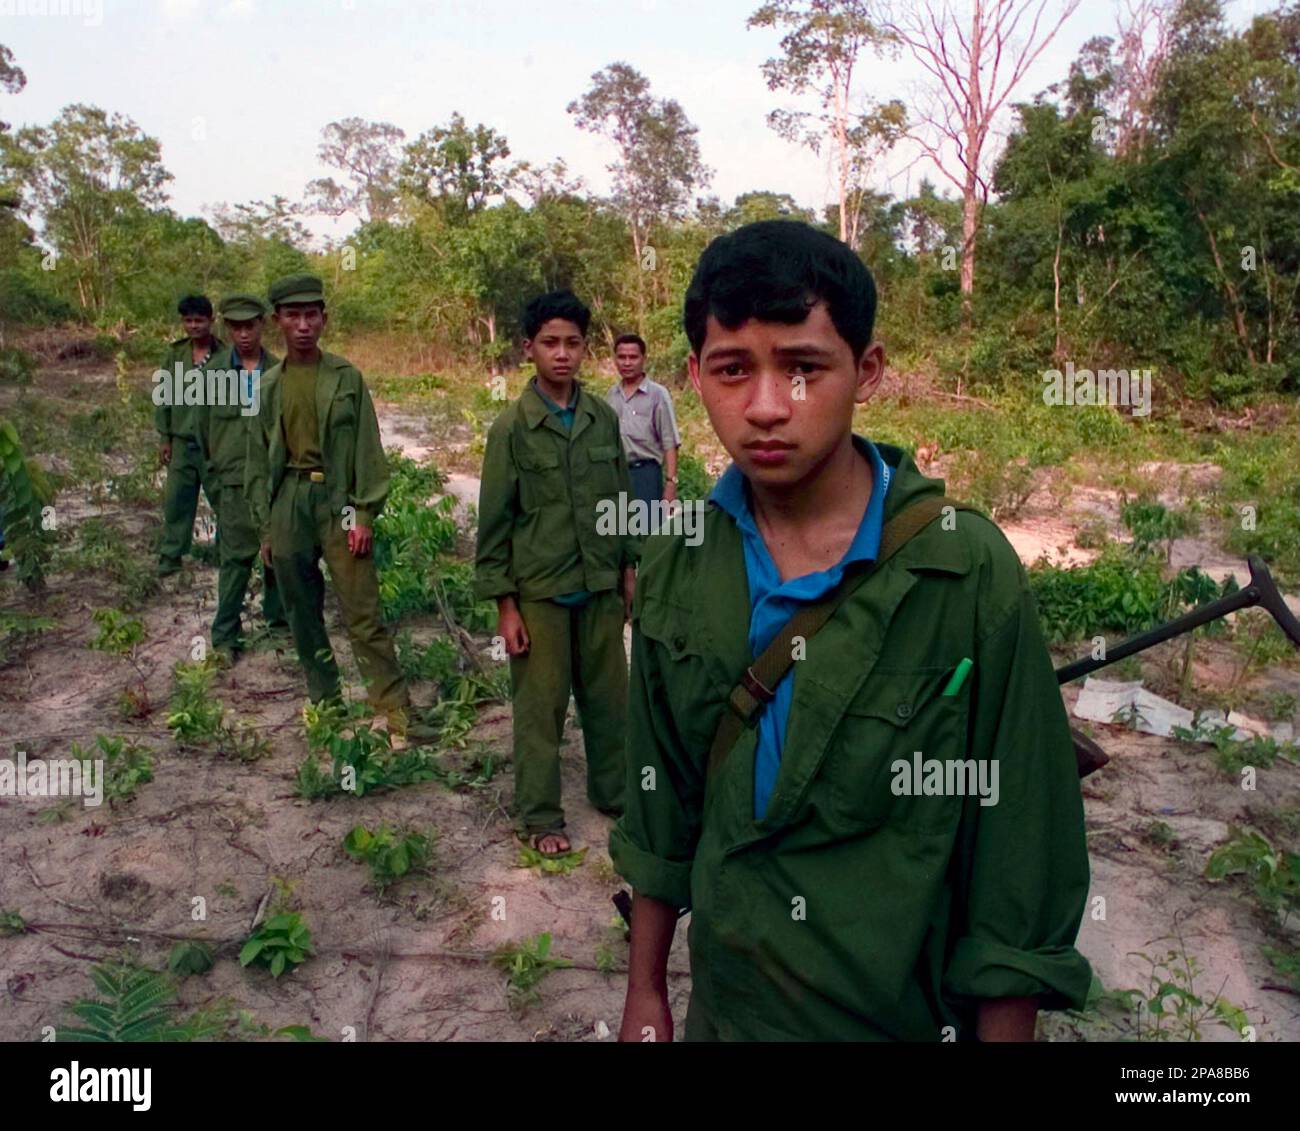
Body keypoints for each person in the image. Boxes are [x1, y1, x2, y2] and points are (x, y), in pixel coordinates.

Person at [610, 220, 1091, 1042]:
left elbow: (1019, 856)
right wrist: (645, 991)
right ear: (694, 375)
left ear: (866, 370)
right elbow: (662, 804)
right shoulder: (680, 560)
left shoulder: (965, 572)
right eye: (733, 370)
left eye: (802, 368)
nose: (765, 407)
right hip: (724, 1015)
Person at [475, 290, 638, 857]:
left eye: (572, 342)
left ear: (585, 349)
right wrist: (505, 606)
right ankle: (541, 816)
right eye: (550, 343)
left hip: (599, 590)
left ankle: (614, 794)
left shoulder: (601, 420)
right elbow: (494, 524)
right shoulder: (511, 429)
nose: (562, 354)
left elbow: (619, 501)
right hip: (541, 595)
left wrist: (628, 569)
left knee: (610, 702)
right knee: (540, 712)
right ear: (529, 349)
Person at [244, 274, 412, 743]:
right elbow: (258, 459)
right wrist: (266, 529)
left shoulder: (346, 377)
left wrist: (363, 512)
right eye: (293, 316)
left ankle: (392, 710)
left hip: (337, 499)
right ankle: (327, 702)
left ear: (323, 319)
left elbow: (367, 448)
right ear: (277, 321)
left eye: (311, 315)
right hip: (288, 501)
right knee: (302, 611)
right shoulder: (269, 384)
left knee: (362, 609)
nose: (303, 325)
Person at [196, 293, 288, 659]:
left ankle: (279, 627)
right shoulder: (213, 374)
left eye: (250, 326)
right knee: (234, 561)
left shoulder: (281, 372)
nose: (243, 334)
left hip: (274, 483)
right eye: (235, 327)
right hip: (232, 485)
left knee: (278, 557)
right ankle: (225, 637)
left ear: (262, 325)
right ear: (227, 328)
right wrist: (216, 483)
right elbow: (201, 435)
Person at [156, 294, 223, 576]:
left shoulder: (226, 355)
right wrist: (165, 437)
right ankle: (171, 558)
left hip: (216, 445)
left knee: (224, 501)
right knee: (176, 503)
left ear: (212, 320)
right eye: (188, 320)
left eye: (200, 320)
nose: (194, 326)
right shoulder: (175, 355)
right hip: (182, 443)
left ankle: (224, 555)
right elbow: (164, 397)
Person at [605, 334, 682, 512]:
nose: (627, 362)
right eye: (622, 357)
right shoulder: (611, 395)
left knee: (647, 533)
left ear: (643, 359)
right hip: (617, 475)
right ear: (615, 359)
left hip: (645, 474)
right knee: (619, 531)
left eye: (633, 357)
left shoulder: (657, 394)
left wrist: (671, 484)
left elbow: (670, 441)